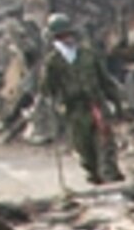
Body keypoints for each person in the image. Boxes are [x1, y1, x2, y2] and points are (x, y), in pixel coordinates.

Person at [40, 13, 123, 186]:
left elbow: (105, 80)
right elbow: (47, 90)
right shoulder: (53, 62)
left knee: (105, 144)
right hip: (74, 112)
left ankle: (112, 179)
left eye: (69, 34)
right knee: (85, 150)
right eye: (62, 36)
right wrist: (47, 77)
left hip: (96, 107)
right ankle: (95, 176)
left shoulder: (89, 55)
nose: (67, 39)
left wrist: (116, 102)